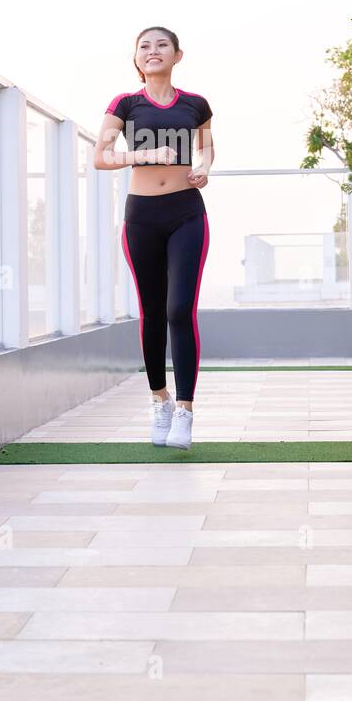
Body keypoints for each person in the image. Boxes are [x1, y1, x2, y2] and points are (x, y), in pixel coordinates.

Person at [93, 26, 214, 449]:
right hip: (141, 217)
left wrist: (204, 169)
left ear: (178, 55)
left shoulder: (195, 104)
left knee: (180, 309)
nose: (153, 51)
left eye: (162, 45)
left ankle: (184, 410)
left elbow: (208, 147)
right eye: (145, 46)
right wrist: (143, 154)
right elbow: (102, 157)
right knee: (152, 311)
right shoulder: (125, 105)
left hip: (186, 215)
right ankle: (159, 399)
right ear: (137, 59)